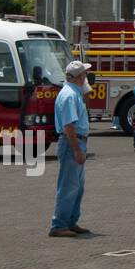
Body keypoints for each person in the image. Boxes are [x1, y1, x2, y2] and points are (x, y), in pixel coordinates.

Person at [50, 60, 93, 237]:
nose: (86, 77)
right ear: (80, 77)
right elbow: (69, 126)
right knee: (69, 185)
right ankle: (60, 224)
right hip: (72, 143)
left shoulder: (72, 93)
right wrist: (76, 149)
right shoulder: (70, 95)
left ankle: (70, 221)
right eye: (85, 74)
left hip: (75, 141)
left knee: (76, 185)